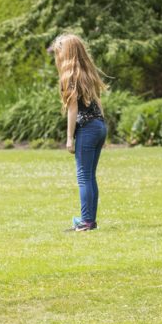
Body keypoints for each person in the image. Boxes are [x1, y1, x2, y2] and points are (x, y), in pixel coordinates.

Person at [49, 33, 108, 232]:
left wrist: (69, 139)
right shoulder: (88, 73)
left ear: (66, 54)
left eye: (58, 53)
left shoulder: (69, 76)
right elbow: (98, 102)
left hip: (87, 129)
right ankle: (89, 219)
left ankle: (86, 222)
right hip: (99, 125)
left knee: (83, 176)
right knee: (90, 176)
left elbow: (73, 109)